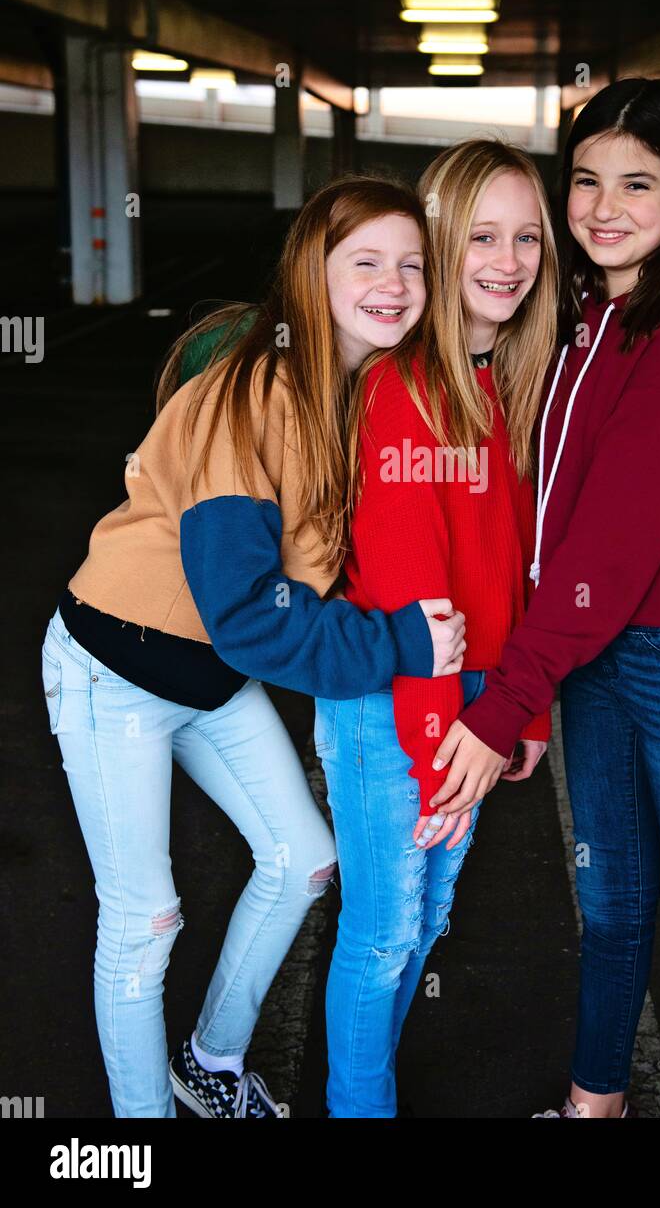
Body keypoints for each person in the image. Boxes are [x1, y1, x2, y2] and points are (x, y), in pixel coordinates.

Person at [39, 177, 466, 1118]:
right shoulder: (255, 389)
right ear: (312, 276)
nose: (393, 283)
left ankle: (211, 1062)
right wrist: (400, 644)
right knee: (144, 923)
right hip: (118, 666)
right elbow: (250, 614)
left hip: (205, 675)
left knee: (302, 859)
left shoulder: (355, 389)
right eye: (365, 262)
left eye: (411, 265)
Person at [432, 79, 660, 1120]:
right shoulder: (591, 315)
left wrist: (506, 702)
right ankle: (597, 1107)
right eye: (586, 179)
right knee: (613, 904)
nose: (603, 205)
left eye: (638, 182)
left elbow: (609, 549)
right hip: (595, 656)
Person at [313, 139, 557, 1117]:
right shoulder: (399, 388)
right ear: (443, 243)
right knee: (382, 929)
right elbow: (418, 600)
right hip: (399, 706)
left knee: (427, 917)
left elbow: (513, 569)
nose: (508, 259)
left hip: (478, 707)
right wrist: (439, 752)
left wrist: (520, 711)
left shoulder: (507, 379)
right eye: (483, 236)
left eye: (528, 237)